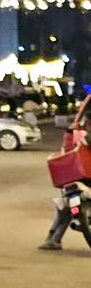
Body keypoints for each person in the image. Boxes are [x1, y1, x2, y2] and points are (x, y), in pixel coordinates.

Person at [39, 104, 89, 250]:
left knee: (66, 206)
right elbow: (68, 152)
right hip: (79, 180)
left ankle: (53, 238)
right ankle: (53, 238)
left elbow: (67, 152)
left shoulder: (77, 135)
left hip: (77, 179)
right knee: (67, 205)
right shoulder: (78, 136)